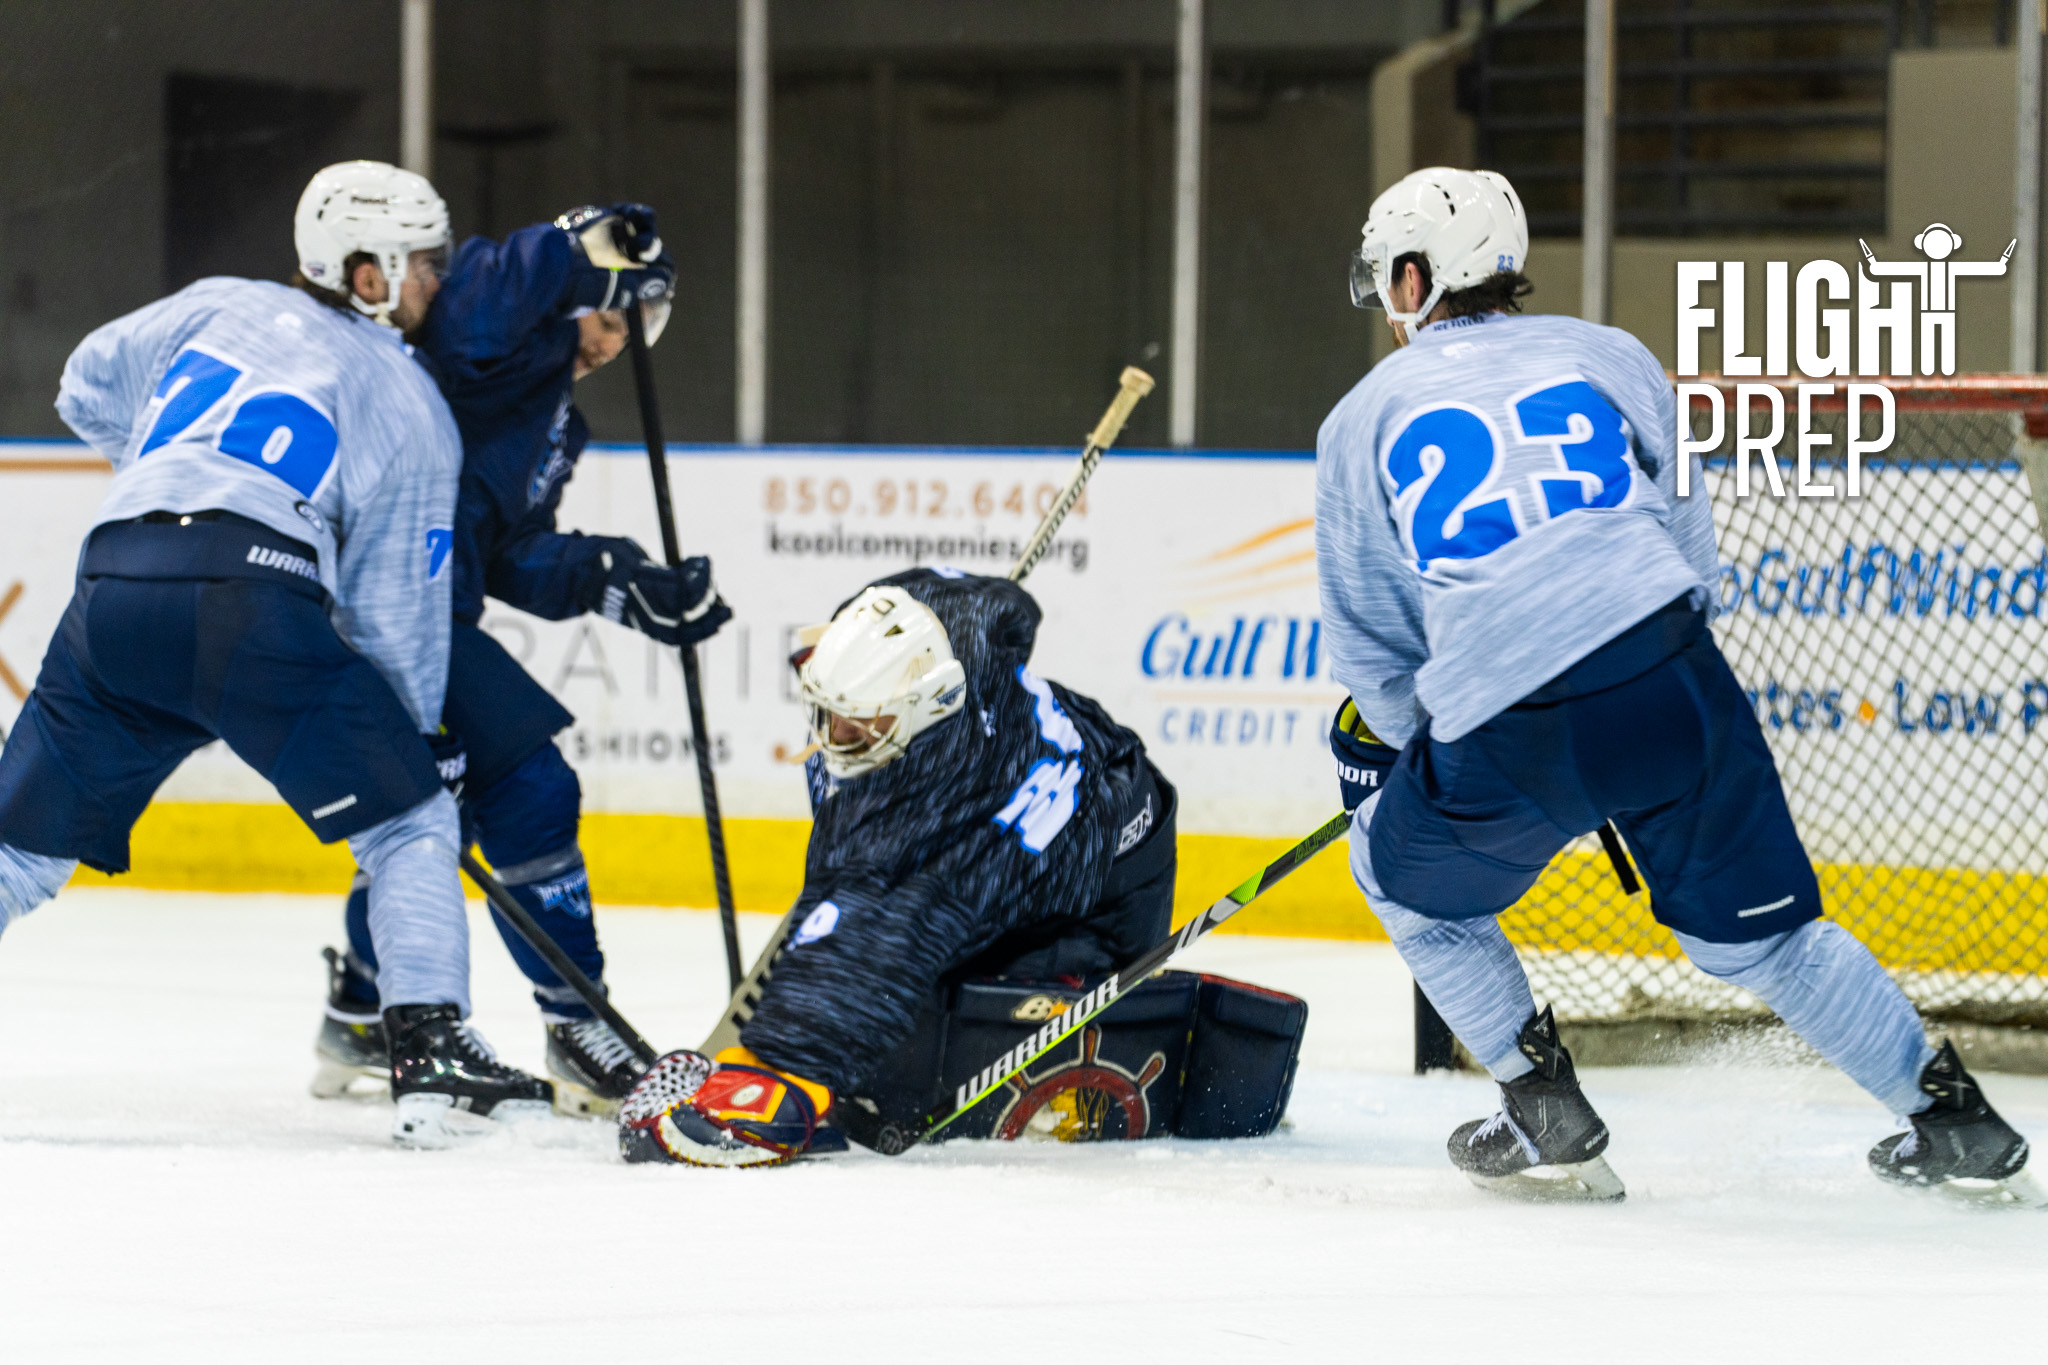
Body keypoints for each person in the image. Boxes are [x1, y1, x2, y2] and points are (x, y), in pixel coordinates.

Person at [1315, 165, 2038, 1205]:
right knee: (1766, 940)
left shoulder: (1358, 420)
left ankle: (1538, 1107)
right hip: (1670, 675)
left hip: (1508, 723)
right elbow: (1691, 560)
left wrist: (1408, 752)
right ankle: (1949, 1120)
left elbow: (1373, 652)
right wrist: (1629, 707)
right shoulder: (1610, 355)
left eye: (1390, 279)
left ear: (1420, 277)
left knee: (1399, 882)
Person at [0, 160, 553, 1147]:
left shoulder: (216, 305)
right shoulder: (409, 401)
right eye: (422, 262)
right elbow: (394, 609)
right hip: (249, 599)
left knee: (22, 851)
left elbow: (86, 379)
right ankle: (430, 1056)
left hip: (114, 579)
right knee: (410, 822)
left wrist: (175, 472)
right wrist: (417, 733)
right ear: (368, 271)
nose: (435, 281)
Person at [614, 568, 1306, 1167]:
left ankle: (1074, 995)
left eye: (858, 724)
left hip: (1110, 866)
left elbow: (885, 934)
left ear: (926, 707)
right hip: (1083, 782)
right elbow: (977, 599)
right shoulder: (949, 635)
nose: (834, 739)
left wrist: (777, 1080)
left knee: (1017, 1009)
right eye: (829, 715)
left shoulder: (963, 822)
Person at [309, 202, 731, 1117]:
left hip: (427, 615)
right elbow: (486, 292)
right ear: (575, 297)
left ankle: (357, 1010)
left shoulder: (551, 422)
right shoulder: (483, 346)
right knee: (528, 784)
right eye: (614, 317)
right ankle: (578, 1024)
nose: (618, 344)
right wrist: (573, 246)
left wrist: (621, 577)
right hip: (380, 608)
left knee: (432, 819)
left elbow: (511, 556)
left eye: (638, 330)